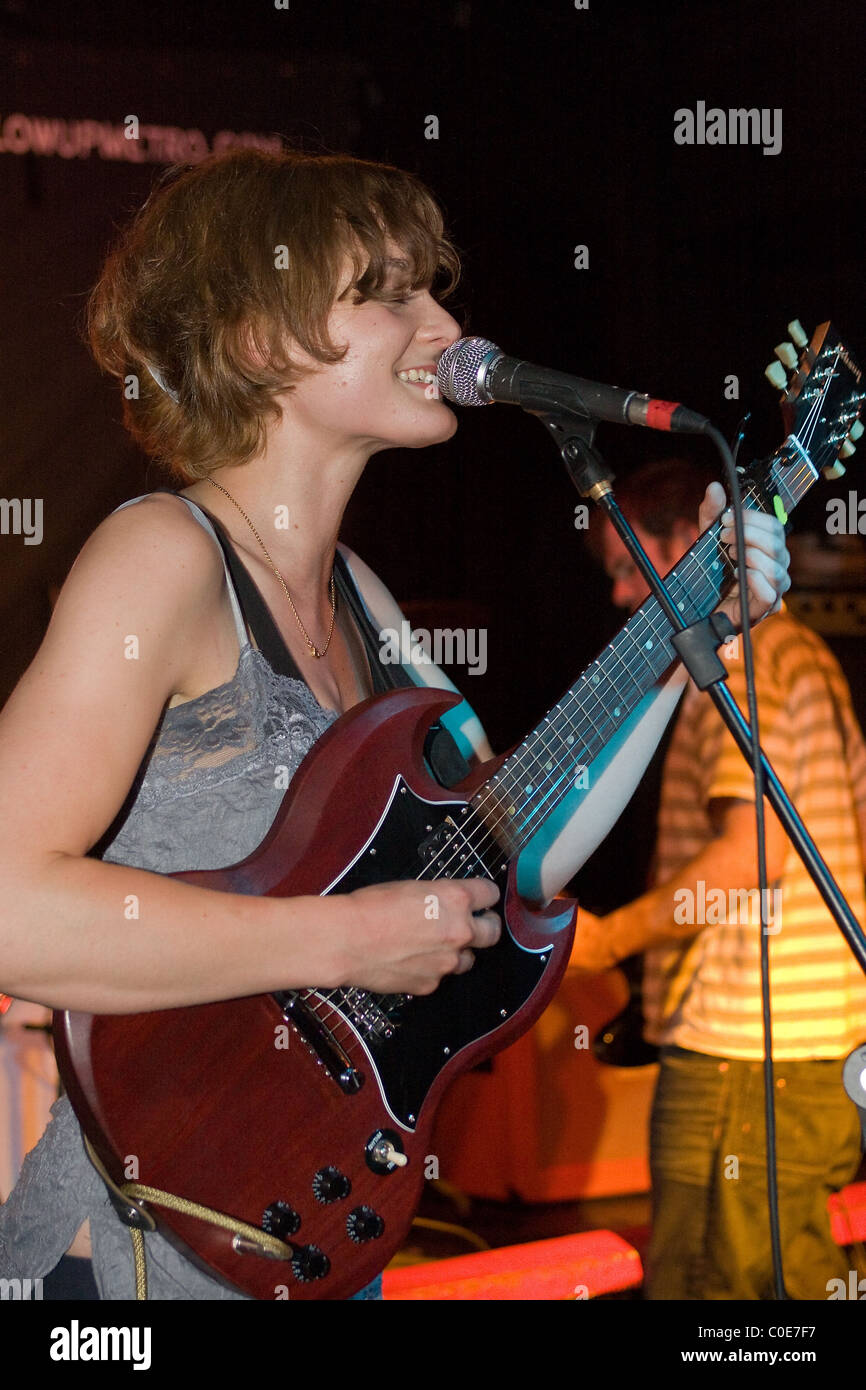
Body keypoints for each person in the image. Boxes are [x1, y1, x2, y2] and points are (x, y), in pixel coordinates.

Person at [0, 150, 790, 1301]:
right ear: (258, 337)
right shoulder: (161, 557)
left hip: (309, 1232)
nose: (444, 322)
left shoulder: (360, 597)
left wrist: (689, 642)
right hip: (134, 1249)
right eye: (387, 292)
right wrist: (343, 940)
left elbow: (510, 854)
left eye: (433, 288)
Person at [570, 457, 866, 1300]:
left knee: (720, 1296)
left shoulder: (744, 662)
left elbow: (753, 857)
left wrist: (603, 942)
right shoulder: (794, 657)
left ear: (687, 546)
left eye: (629, 566)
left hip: (752, 1054)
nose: (623, 595)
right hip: (789, 1050)